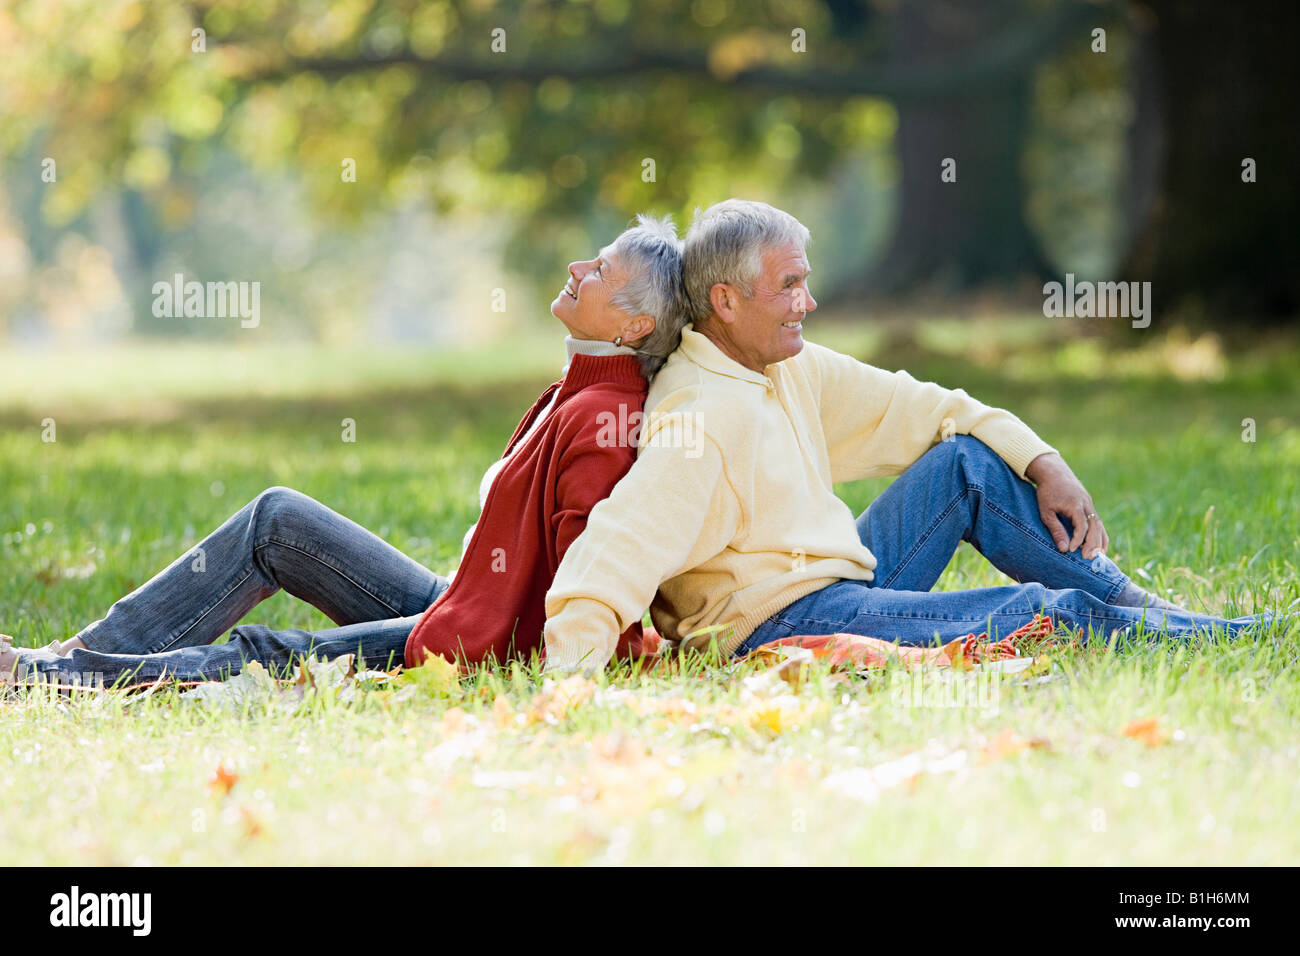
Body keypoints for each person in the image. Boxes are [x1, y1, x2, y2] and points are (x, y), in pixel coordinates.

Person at [541, 199, 1289, 673]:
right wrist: (568, 677)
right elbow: (622, 543)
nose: (811, 300)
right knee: (1039, 615)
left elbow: (938, 408)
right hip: (774, 625)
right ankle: (1228, 637)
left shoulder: (782, 364)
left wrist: (1044, 460)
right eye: (790, 287)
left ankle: (1145, 609)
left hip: (839, 586)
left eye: (807, 279)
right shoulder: (701, 412)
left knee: (967, 465)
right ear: (726, 301)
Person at [1, 215, 689, 687]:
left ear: (634, 324)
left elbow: (593, 582)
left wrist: (591, 670)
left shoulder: (605, 417)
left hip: (479, 648)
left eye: (599, 269)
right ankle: (84, 651)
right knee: (278, 519)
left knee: (270, 654)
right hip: (465, 605)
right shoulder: (574, 390)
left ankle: (55, 681)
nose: (577, 267)